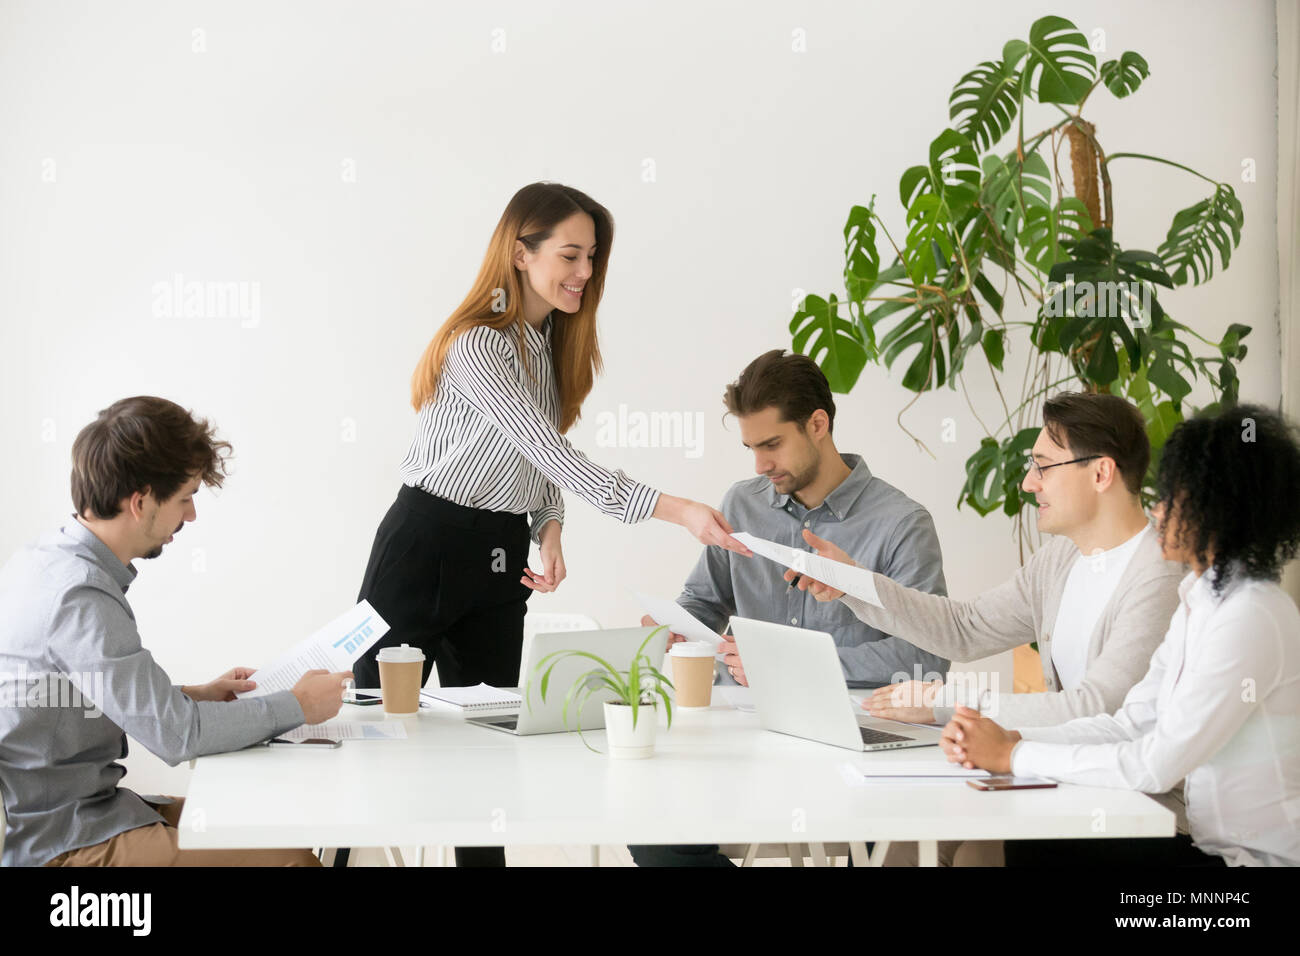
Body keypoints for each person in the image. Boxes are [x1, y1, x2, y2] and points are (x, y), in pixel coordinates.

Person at [350, 182, 750, 868]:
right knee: (369, 726)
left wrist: (551, 526)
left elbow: (536, 464)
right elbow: (549, 449)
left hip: (499, 555)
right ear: (520, 252)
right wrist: (677, 510)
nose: (585, 274)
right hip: (424, 544)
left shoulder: (545, 347)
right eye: (571, 254)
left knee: (490, 750)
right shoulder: (478, 346)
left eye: (592, 258)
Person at [787, 391, 1185, 865]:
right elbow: (967, 627)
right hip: (1067, 778)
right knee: (906, 833)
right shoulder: (1061, 558)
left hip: (1138, 805)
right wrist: (852, 584)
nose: (1028, 483)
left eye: (1043, 466)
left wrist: (944, 704)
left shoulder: (1159, 573)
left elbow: (1100, 709)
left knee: (958, 839)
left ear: (1101, 473)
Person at [939, 403, 1300, 866]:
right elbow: (1127, 725)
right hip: (1212, 849)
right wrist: (1007, 737)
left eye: (1174, 496)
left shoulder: (1251, 617)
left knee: (1049, 841)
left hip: (1247, 865)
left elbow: (1154, 764)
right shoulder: (1200, 599)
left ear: (1219, 509)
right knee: (1040, 833)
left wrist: (1015, 755)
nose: (1157, 507)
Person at [629, 348, 949, 867]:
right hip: (742, 735)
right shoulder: (742, 504)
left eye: (773, 444)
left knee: (893, 837)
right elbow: (704, 600)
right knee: (649, 823)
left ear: (818, 424)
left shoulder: (901, 523)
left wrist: (788, 668)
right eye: (752, 447)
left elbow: (928, 660)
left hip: (852, 737)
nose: (760, 464)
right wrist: (676, 626)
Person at [0, 397, 350, 867]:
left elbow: (80, 692)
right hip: (66, 841)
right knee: (292, 861)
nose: (191, 516)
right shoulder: (79, 596)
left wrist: (195, 694)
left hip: (82, 816)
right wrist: (300, 706)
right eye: (185, 498)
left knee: (271, 822)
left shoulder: (47, 561)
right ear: (141, 501)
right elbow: (177, 737)